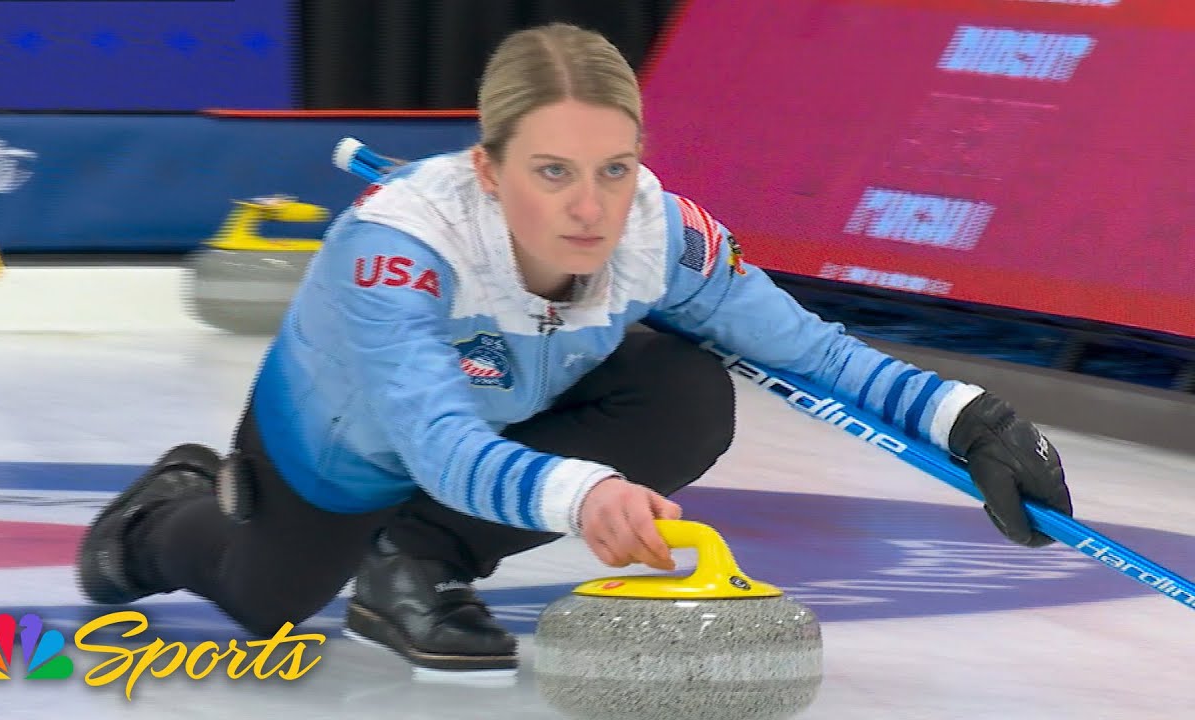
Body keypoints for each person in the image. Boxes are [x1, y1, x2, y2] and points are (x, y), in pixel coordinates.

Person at [77, 22, 1073, 678]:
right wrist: (583, 495)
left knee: (687, 389)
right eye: (550, 171)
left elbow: (814, 355)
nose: (588, 207)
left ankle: (413, 564)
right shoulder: (397, 250)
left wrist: (971, 421)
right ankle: (158, 514)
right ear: (486, 165)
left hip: (500, 414)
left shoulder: (656, 232)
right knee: (269, 599)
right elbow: (434, 445)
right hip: (345, 446)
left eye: (613, 167)